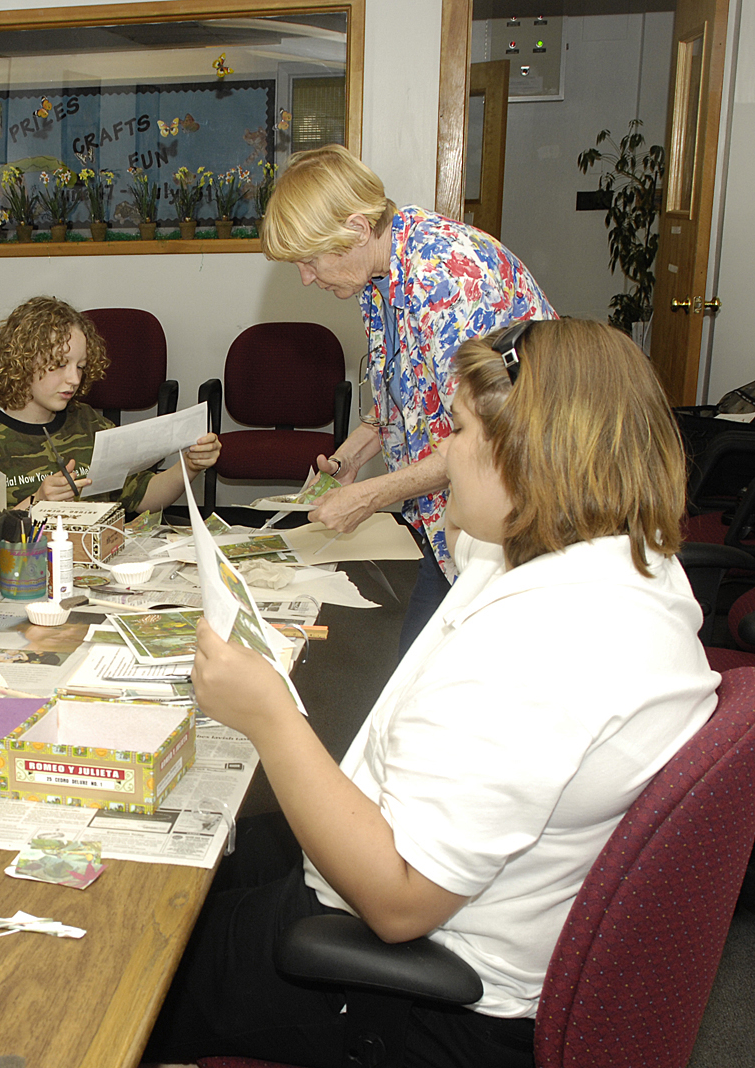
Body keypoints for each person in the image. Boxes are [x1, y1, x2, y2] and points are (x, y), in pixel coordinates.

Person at [141, 319, 718, 1068]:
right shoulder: (624, 561)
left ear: (527, 458)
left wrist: (270, 718)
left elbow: (399, 903)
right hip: (469, 901)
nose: (443, 452)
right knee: (214, 851)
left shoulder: (546, 645)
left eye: (460, 430)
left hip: (420, 993)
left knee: (138, 950)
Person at [260, 144, 556, 652]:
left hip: (515, 524)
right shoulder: (380, 276)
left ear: (355, 229)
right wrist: (349, 458)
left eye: (310, 260)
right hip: (454, 519)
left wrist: (373, 495)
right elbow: (411, 395)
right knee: (413, 677)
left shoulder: (448, 278)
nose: (307, 277)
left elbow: (481, 439)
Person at [0, 296, 219, 516]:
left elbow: (143, 496)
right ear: (21, 362)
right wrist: (37, 501)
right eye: (60, 364)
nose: (74, 379)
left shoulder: (90, 424)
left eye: (81, 366)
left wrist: (188, 466)